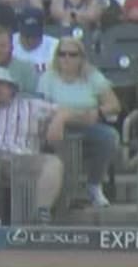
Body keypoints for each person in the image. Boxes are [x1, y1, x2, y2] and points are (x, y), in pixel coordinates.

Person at [0, 68, 65, 223]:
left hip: (22, 160)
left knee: (53, 163)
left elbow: (67, 110)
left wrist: (59, 121)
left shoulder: (31, 106)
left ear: (12, 89)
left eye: (1, 84)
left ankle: (40, 213)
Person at [36, 36, 121, 207]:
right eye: (62, 54)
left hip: (87, 126)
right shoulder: (47, 78)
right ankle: (62, 193)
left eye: (72, 54)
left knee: (109, 136)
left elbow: (114, 105)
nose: (66, 58)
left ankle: (94, 185)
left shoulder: (93, 76)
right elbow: (40, 108)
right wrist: (65, 117)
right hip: (57, 126)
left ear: (81, 57)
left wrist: (97, 111)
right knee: (56, 138)